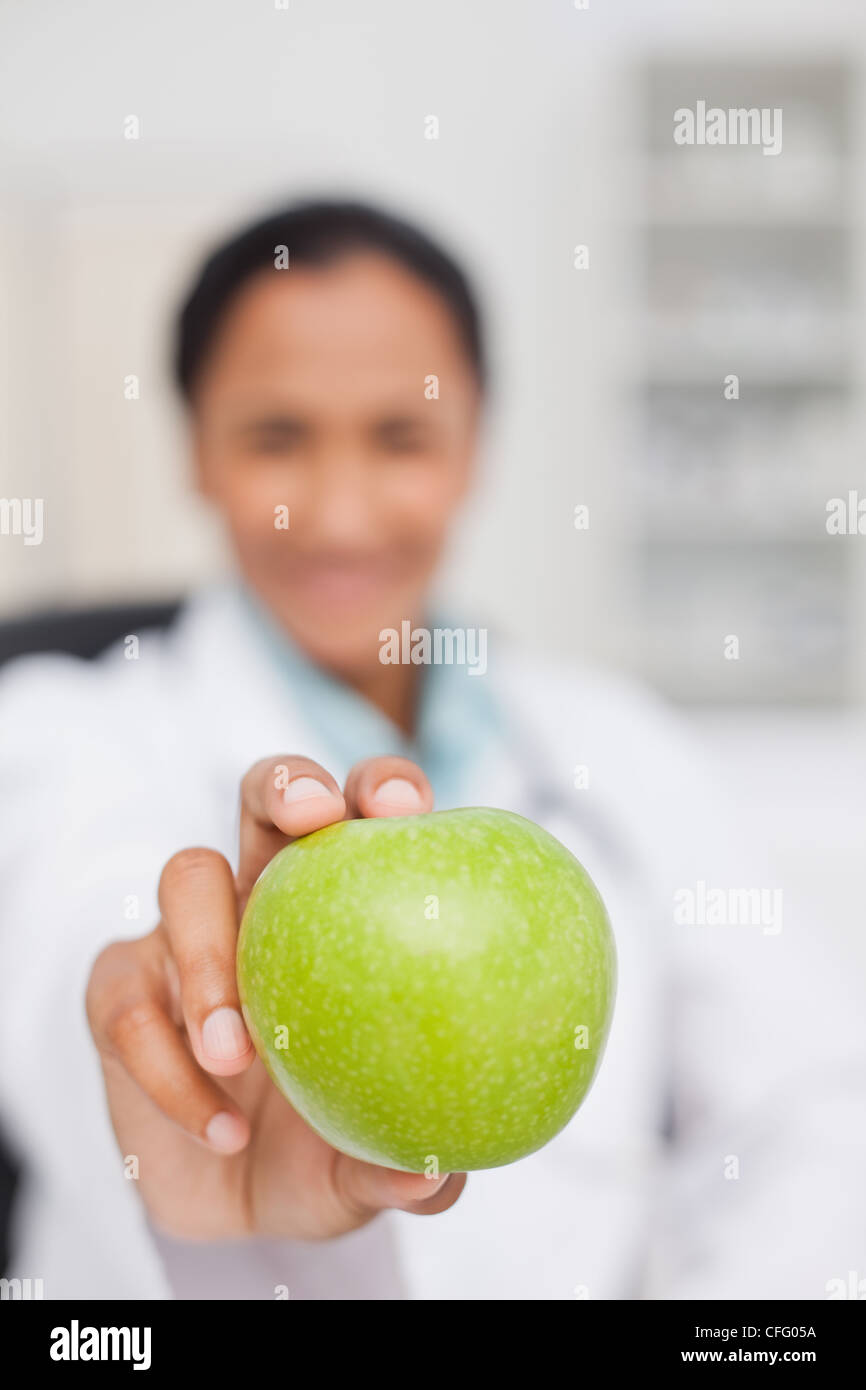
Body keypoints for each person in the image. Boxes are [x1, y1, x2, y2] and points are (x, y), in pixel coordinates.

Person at [0, 200, 862, 1301]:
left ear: (473, 450)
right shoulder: (64, 732)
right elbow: (65, 961)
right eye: (276, 437)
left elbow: (811, 1108)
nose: (341, 513)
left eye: (400, 436)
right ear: (198, 452)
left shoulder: (616, 743)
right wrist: (169, 1061)